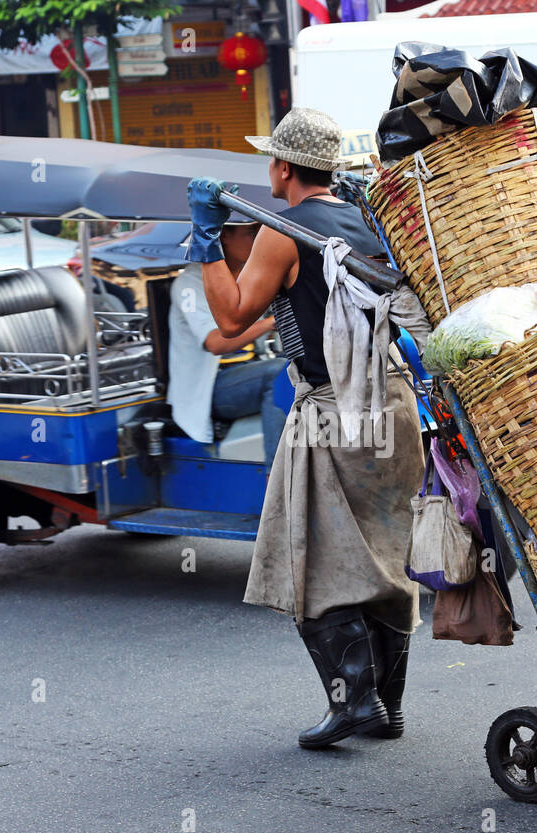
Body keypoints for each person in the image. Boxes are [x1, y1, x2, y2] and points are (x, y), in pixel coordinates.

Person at [188, 107, 423, 749]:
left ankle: (355, 705)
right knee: (385, 560)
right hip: (396, 411)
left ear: (285, 166)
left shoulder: (280, 229)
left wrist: (205, 239)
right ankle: (386, 705)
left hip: (333, 413)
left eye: (271, 159)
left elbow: (232, 320)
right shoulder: (366, 222)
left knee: (312, 560)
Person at [167, 222, 287, 470]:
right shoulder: (189, 283)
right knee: (278, 373)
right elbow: (215, 343)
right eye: (251, 233)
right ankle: (278, 476)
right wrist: (270, 323)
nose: (259, 239)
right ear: (224, 237)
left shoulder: (249, 277)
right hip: (210, 389)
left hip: (248, 372)